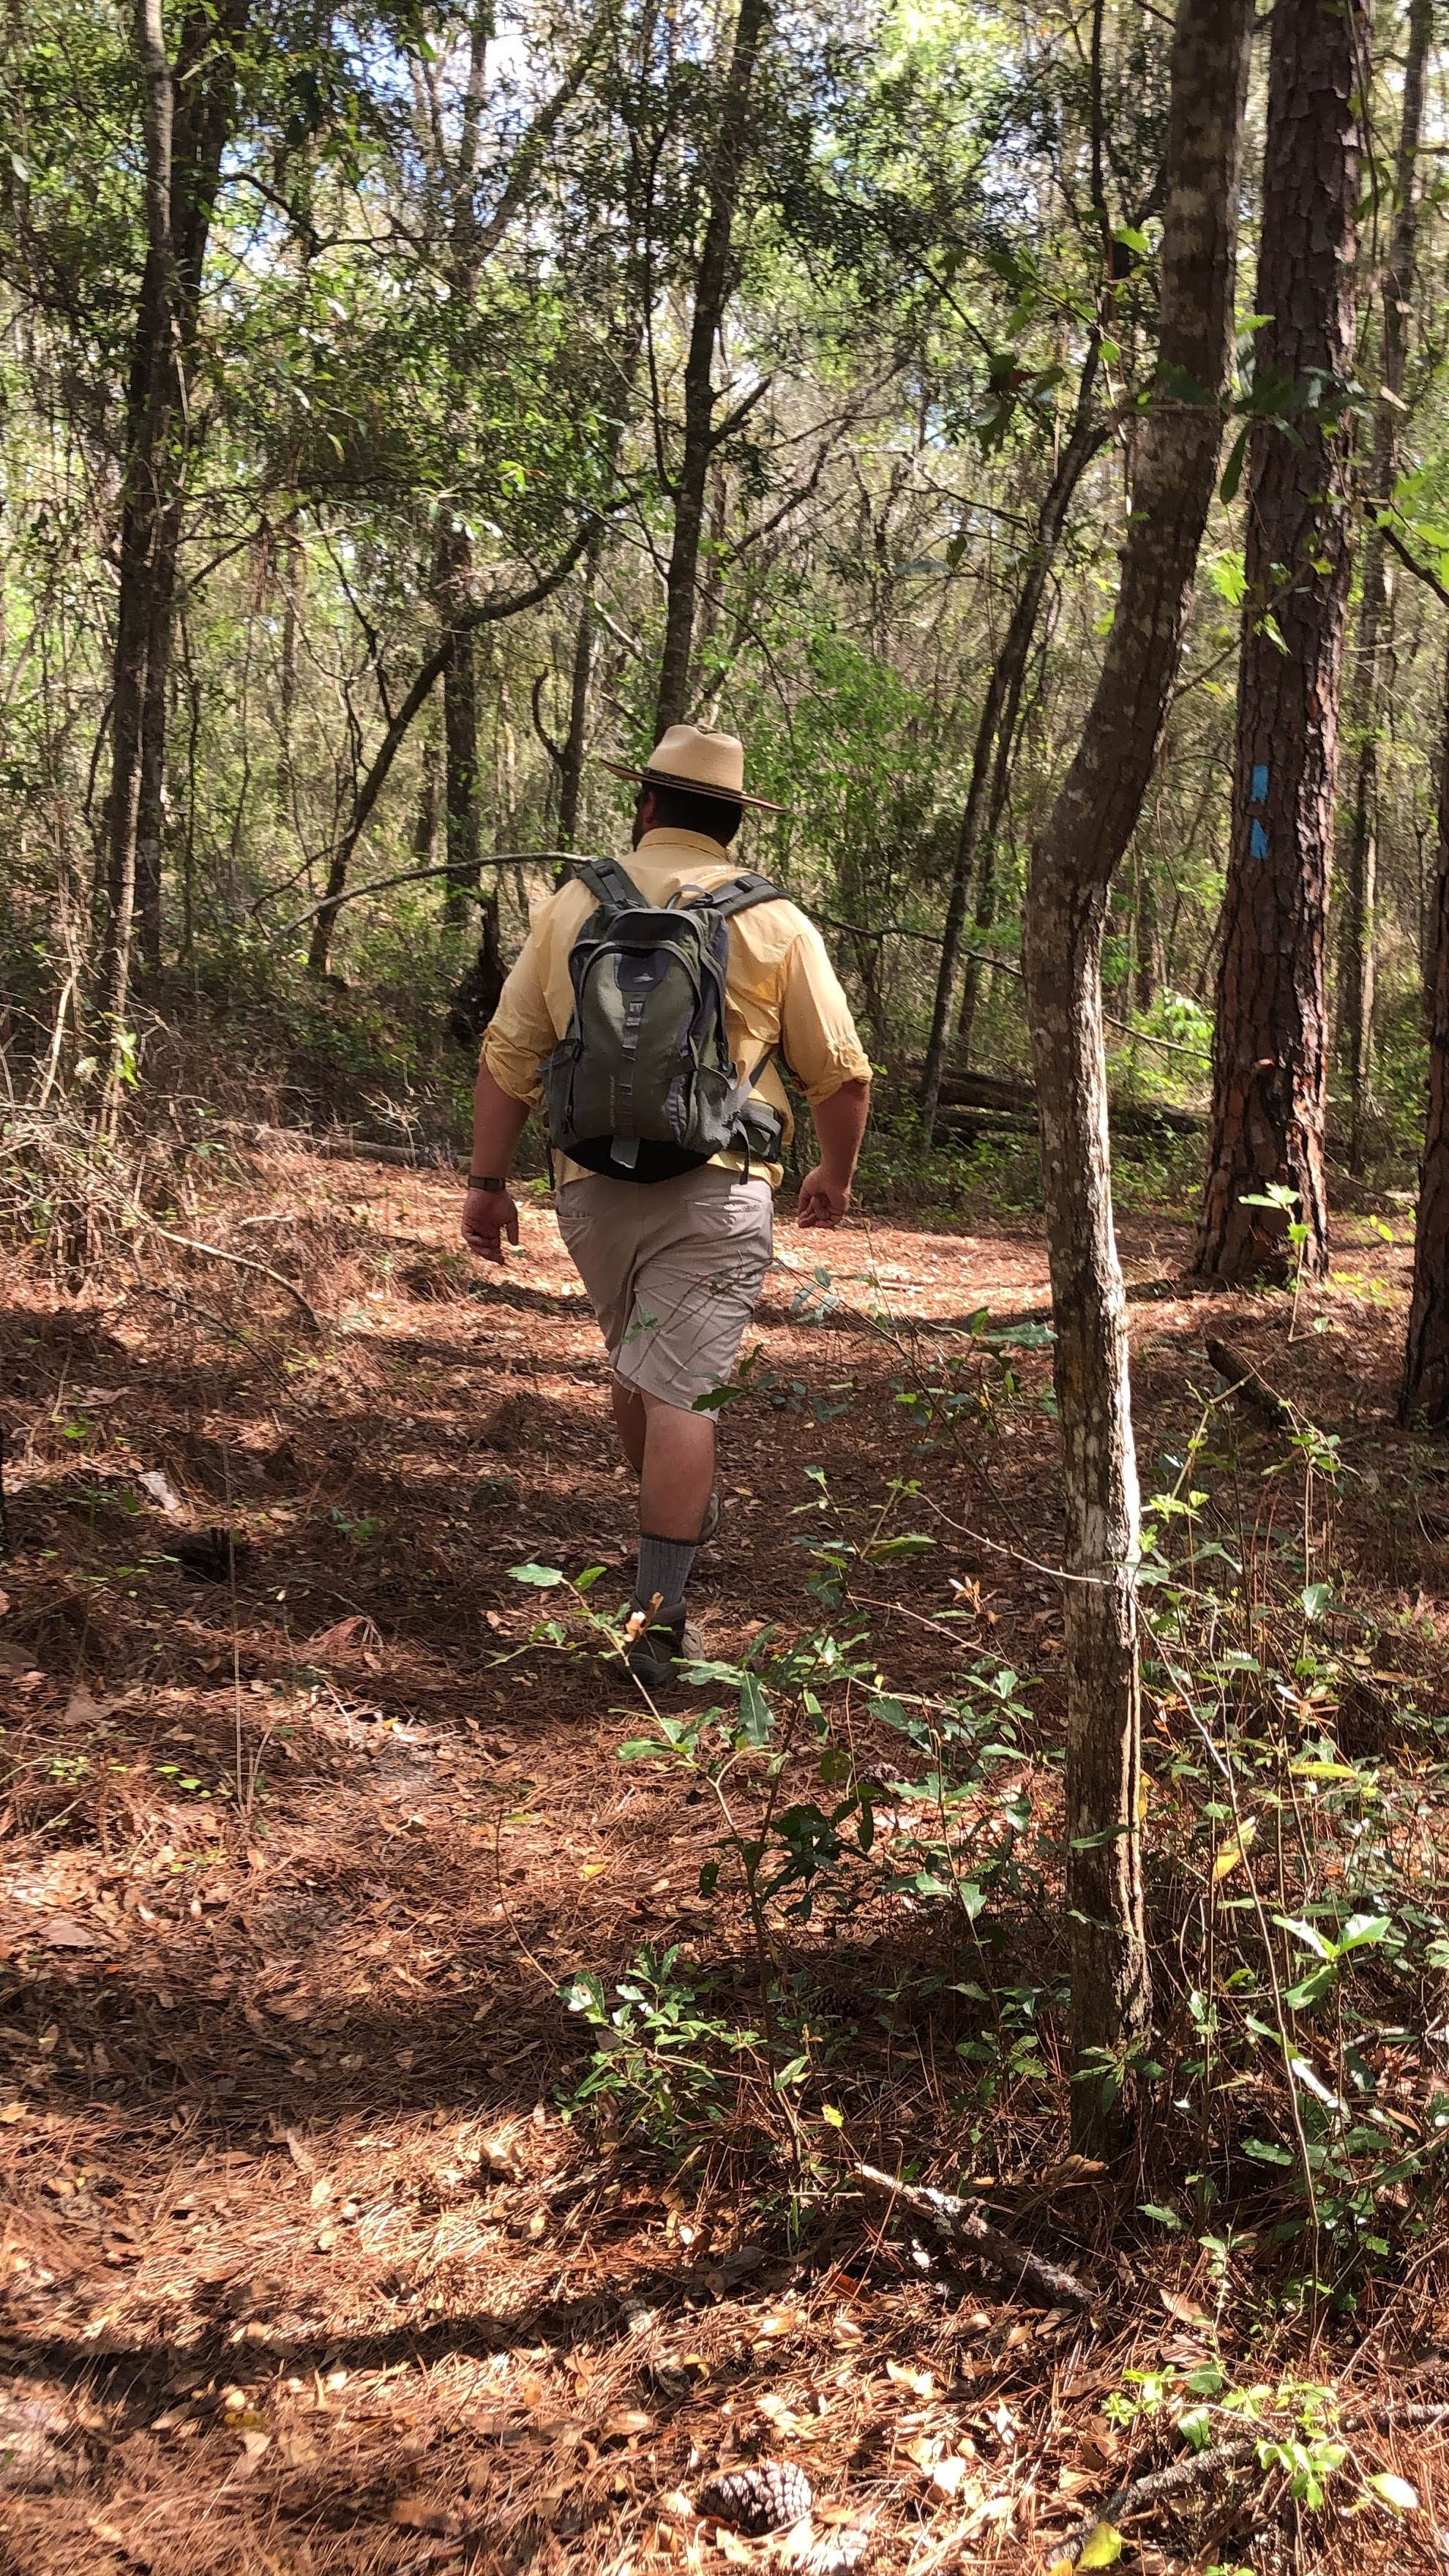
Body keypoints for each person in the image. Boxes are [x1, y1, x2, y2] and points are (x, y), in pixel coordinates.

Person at [460, 722, 872, 1685]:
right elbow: (841, 1075)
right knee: (682, 1388)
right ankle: (659, 1623)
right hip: (719, 1188)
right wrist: (835, 1175)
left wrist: (485, 1186)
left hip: (591, 1187)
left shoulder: (575, 904)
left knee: (641, 1368)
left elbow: (508, 1056)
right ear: (732, 824)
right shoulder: (774, 922)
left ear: (646, 805)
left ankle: (664, 1531)